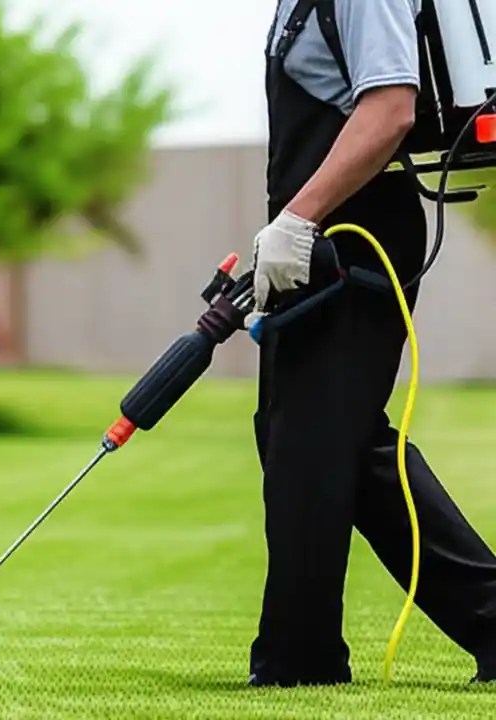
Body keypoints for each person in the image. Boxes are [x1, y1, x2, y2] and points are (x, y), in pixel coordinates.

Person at [248, 0, 496, 686]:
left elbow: (390, 108)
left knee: (313, 441)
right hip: (316, 230)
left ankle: (299, 658)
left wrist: (298, 219)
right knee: (322, 439)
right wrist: (285, 226)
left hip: (358, 232)